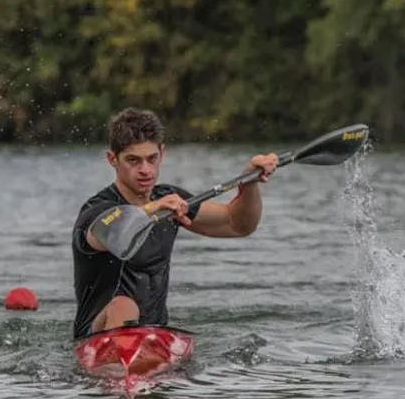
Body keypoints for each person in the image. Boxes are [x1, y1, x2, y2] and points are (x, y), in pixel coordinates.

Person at [71, 107, 279, 339]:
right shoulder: (98, 210)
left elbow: (238, 224)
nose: (145, 170)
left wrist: (248, 184)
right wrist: (151, 209)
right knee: (122, 304)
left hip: (154, 336)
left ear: (162, 153)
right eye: (133, 160)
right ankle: (125, 351)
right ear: (112, 159)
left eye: (152, 159)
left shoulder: (169, 199)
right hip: (95, 338)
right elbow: (107, 231)